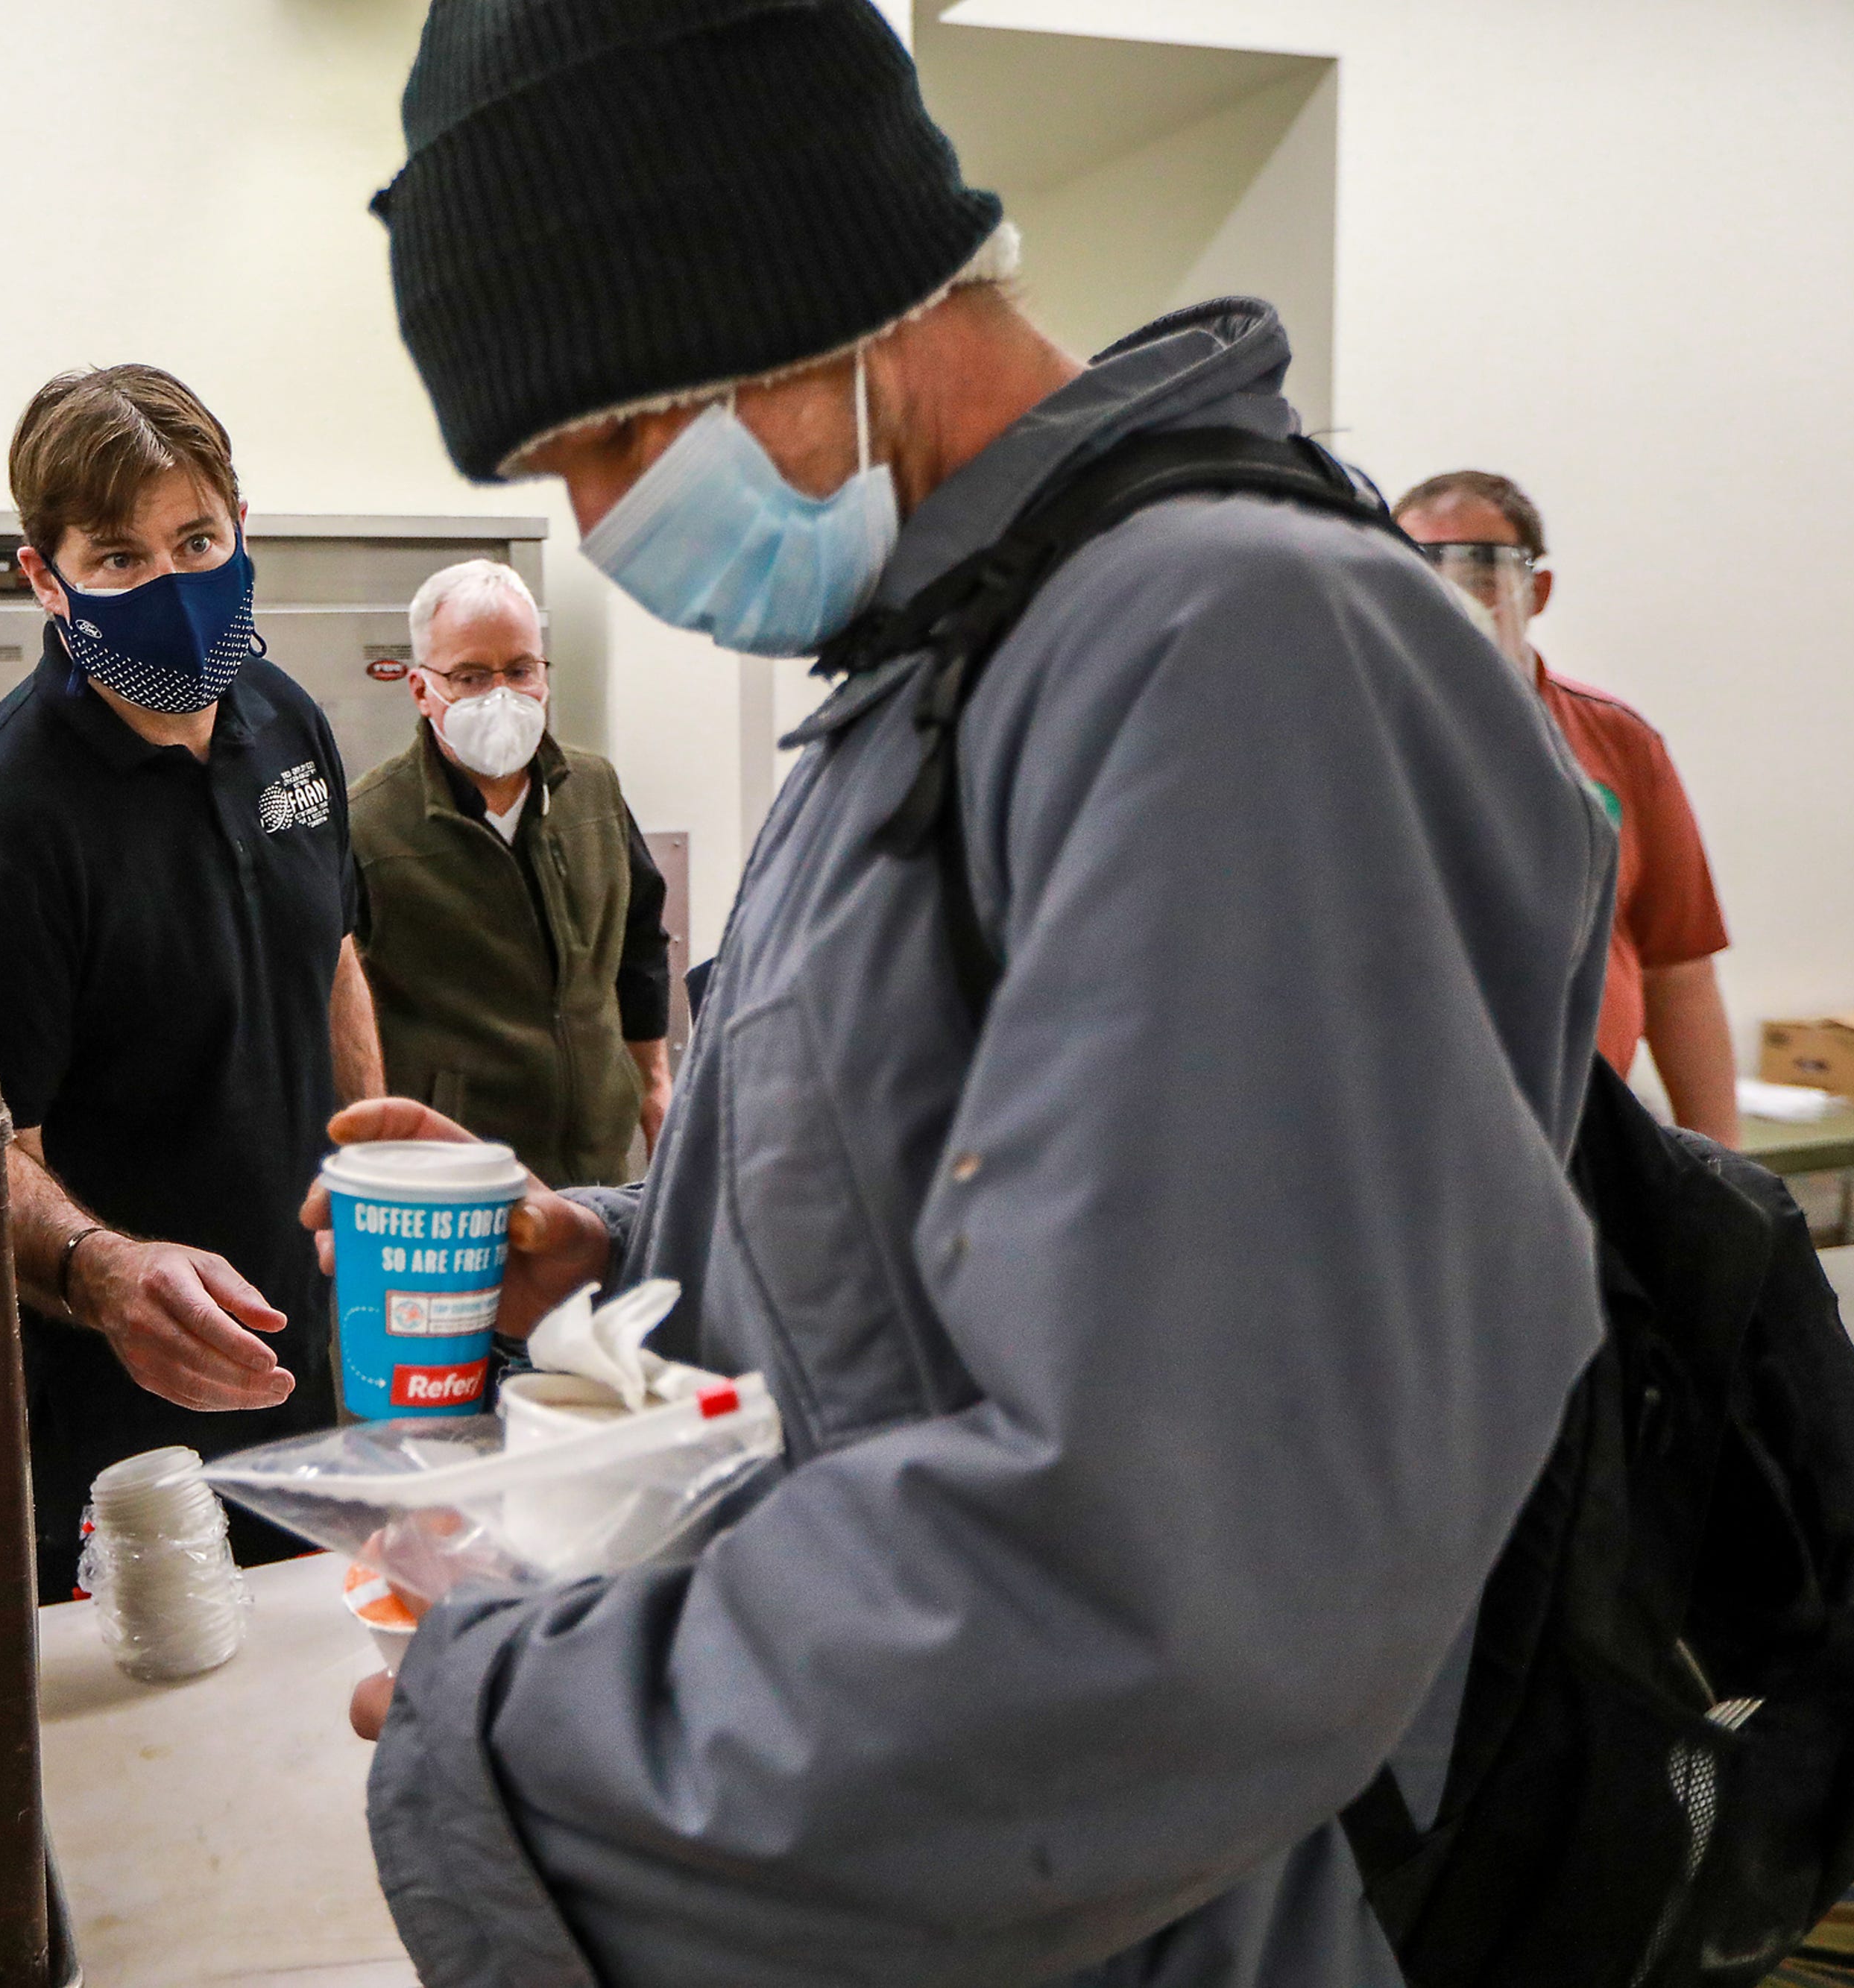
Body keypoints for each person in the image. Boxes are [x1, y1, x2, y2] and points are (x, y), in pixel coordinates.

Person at [305, 4, 1618, 1984]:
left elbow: (1178, 1583)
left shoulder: (1236, 658)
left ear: (815, 302)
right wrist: (588, 1258)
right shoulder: (932, 681)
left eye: (613, 438)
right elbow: (907, 1276)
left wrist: (516, 1729)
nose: (595, 532)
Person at [0, 364, 383, 1600]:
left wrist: (367, 1176)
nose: (174, 586)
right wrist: (111, 1273)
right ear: (45, 578)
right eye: (118, 558)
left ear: (242, 529)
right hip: (132, 1425)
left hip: (318, 1363)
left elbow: (332, 960)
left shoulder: (286, 722)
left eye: (197, 539)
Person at [1396, 469, 1741, 1144]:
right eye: (1419, 572)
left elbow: (1679, 965)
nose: (1449, 598)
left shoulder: (1614, 742)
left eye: (1481, 574)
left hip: (1584, 1132)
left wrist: (1727, 1175)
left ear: (1537, 590)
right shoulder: (1362, 737)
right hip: (1423, 1132)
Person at [350, 558, 674, 1187]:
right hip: (457, 1186)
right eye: (470, 676)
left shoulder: (595, 792)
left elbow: (641, 945)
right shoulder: (369, 827)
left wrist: (655, 1086)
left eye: (521, 669)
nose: (501, 695)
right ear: (421, 688)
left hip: (598, 1171)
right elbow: (338, 1009)